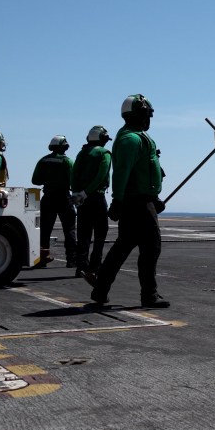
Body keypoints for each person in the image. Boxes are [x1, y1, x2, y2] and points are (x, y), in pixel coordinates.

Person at [86, 94, 169, 308]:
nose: (149, 119)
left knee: (123, 247)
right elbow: (122, 173)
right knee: (151, 248)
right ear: (139, 115)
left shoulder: (135, 137)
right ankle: (149, 295)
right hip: (137, 203)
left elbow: (141, 171)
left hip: (141, 200)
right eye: (147, 115)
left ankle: (100, 290)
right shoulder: (130, 139)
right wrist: (118, 201)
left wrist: (154, 197)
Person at [72, 125, 112, 277]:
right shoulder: (105, 153)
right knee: (101, 232)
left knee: (83, 234)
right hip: (97, 197)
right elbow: (102, 175)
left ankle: (81, 266)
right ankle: (95, 265)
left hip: (81, 199)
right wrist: (88, 192)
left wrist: (77, 193)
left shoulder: (82, 153)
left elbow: (74, 174)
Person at [32, 135, 77, 268]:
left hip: (48, 198)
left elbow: (35, 180)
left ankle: (42, 259)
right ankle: (71, 260)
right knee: (69, 229)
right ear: (65, 147)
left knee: (45, 230)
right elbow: (73, 181)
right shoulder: (68, 162)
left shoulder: (43, 160)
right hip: (64, 198)